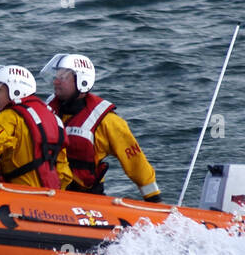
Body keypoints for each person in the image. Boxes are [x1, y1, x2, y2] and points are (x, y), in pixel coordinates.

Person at [40, 53, 162, 201]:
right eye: (55, 76)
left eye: (62, 78)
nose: (55, 82)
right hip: (47, 191)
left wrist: (153, 198)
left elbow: (136, 162)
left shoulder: (108, 122)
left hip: (84, 197)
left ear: (82, 82)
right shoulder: (47, 111)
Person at [0, 64, 73, 189]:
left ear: (15, 91)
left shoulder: (9, 116)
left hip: (19, 193)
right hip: (51, 195)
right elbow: (64, 174)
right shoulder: (55, 119)